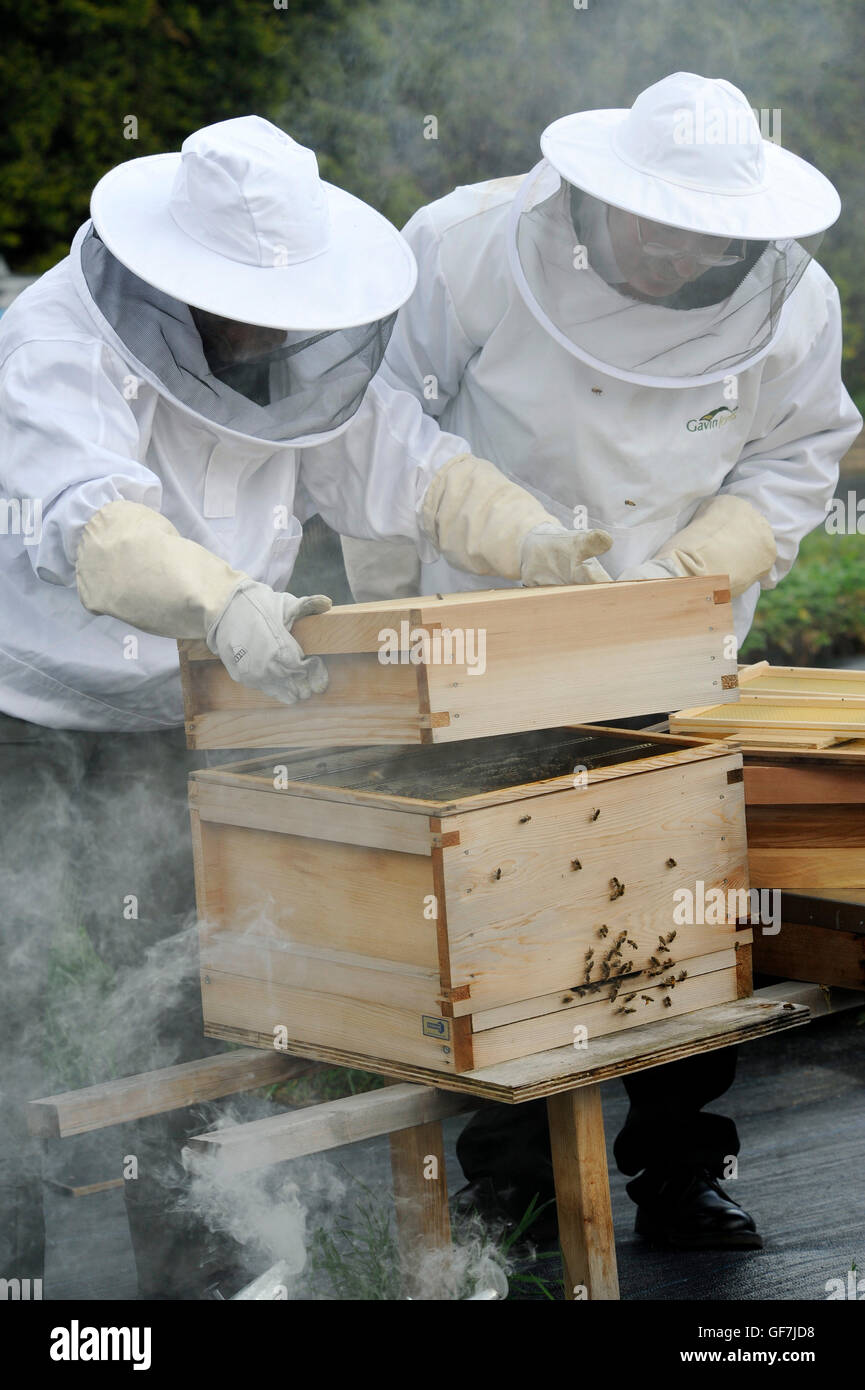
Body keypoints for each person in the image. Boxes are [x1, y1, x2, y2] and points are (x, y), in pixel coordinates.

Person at [0, 115, 613, 1299]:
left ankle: (209, 1271)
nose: (270, 332)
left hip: (178, 705)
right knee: (6, 989)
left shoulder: (303, 347)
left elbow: (413, 465)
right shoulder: (55, 340)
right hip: (19, 701)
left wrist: (532, 538)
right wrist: (225, 600)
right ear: (170, 281)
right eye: (238, 306)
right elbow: (92, 519)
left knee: (205, 986)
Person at [340, 72, 863, 1250]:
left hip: (674, 646)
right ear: (597, 194)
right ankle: (513, 1198)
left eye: (707, 242)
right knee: (503, 931)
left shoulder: (795, 298)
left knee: (682, 915)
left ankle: (682, 1173)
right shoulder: (465, 247)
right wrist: (450, 593)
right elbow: (383, 433)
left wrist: (701, 560)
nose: (678, 260)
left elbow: (797, 453)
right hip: (488, 640)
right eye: (653, 231)